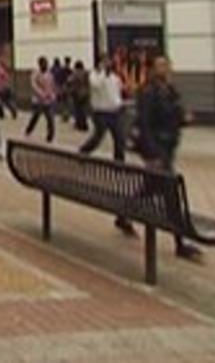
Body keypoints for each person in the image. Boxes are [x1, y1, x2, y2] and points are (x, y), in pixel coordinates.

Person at [135, 55, 202, 261]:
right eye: (160, 65)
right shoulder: (149, 92)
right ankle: (180, 243)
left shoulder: (170, 91)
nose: (165, 69)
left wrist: (183, 119)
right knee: (171, 195)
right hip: (158, 151)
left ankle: (123, 213)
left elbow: (173, 116)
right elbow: (144, 124)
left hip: (167, 147)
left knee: (148, 190)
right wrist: (153, 154)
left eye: (167, 65)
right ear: (153, 69)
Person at [78, 54, 134, 235]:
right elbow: (96, 86)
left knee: (119, 138)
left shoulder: (115, 78)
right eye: (106, 62)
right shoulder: (95, 75)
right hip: (100, 113)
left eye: (111, 62)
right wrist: (102, 71)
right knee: (98, 135)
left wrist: (122, 101)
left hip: (114, 112)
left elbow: (117, 93)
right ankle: (84, 151)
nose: (110, 65)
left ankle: (119, 162)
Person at [24, 56, 57, 142]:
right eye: (43, 63)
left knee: (50, 118)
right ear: (40, 64)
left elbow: (52, 85)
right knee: (35, 117)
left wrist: (53, 95)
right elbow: (34, 85)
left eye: (46, 63)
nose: (45, 65)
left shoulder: (50, 74)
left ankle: (50, 136)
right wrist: (41, 94)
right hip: (39, 101)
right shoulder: (36, 74)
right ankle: (28, 130)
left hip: (48, 100)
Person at [68, 60, 91, 131]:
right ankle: (84, 125)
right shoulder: (86, 73)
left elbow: (69, 81)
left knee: (78, 110)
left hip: (77, 94)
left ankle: (79, 124)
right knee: (83, 110)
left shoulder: (75, 73)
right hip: (86, 94)